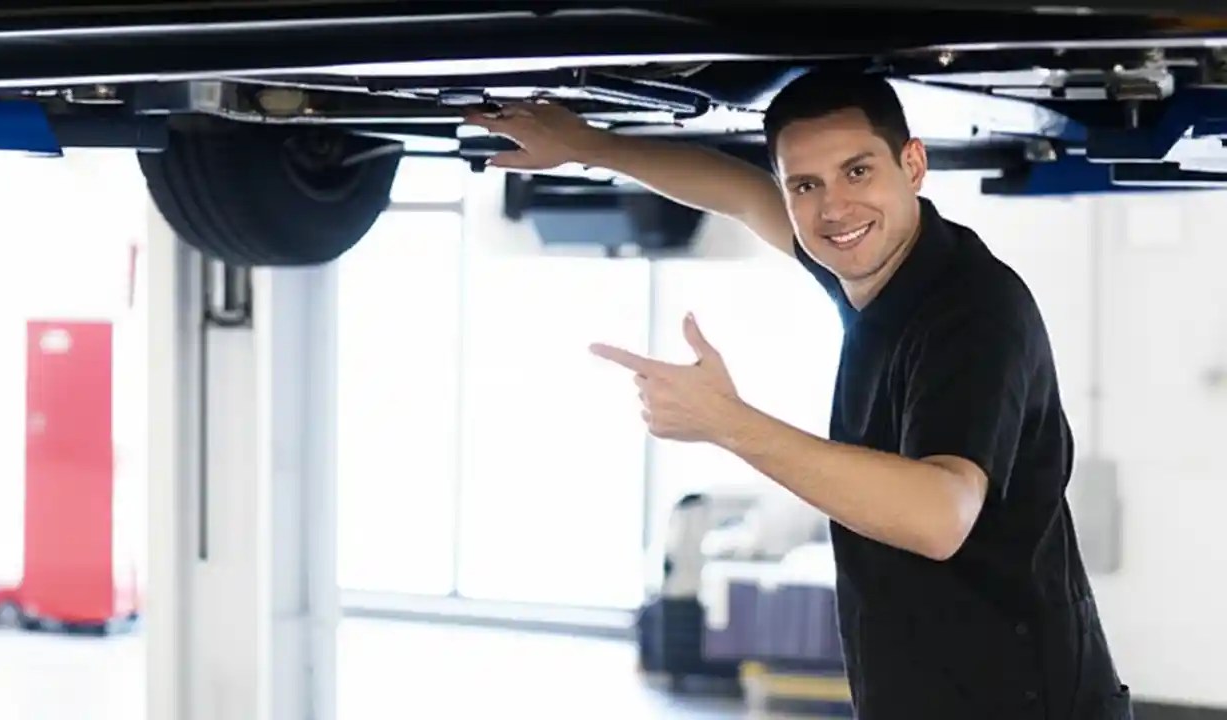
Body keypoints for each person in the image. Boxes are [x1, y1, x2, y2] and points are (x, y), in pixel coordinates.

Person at [464, 68, 1131, 720]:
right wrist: (590, 146)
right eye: (805, 185)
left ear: (914, 164)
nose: (834, 208)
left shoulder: (974, 313)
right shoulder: (872, 270)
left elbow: (939, 514)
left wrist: (727, 422)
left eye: (858, 171)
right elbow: (741, 192)